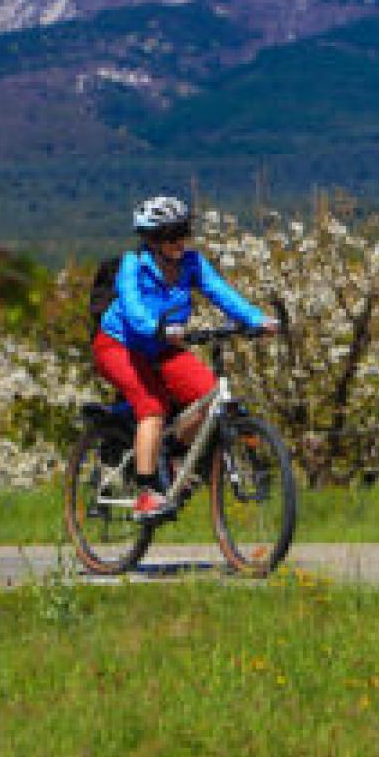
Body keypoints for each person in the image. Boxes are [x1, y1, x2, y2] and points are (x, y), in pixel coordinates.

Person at [93, 195, 278, 523]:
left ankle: (174, 457)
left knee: (209, 395)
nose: (180, 240)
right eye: (171, 234)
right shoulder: (133, 265)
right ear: (152, 239)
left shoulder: (192, 263)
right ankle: (147, 492)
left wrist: (256, 319)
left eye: (184, 232)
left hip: (162, 346)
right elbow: (133, 309)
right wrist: (158, 327)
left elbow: (221, 293)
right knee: (152, 408)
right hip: (120, 346)